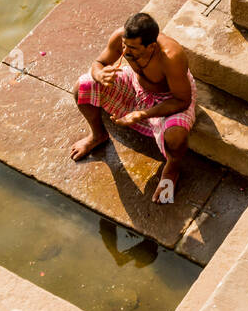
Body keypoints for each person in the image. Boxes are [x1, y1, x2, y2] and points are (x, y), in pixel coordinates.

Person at [71, 12, 196, 205]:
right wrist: (99, 75)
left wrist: (141, 114)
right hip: (135, 85)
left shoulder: (171, 57)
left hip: (169, 98)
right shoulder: (121, 39)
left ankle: (172, 169)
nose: (126, 51)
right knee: (82, 87)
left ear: (151, 46)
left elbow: (182, 100)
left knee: (176, 135)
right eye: (124, 45)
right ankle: (98, 136)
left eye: (133, 48)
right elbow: (99, 63)